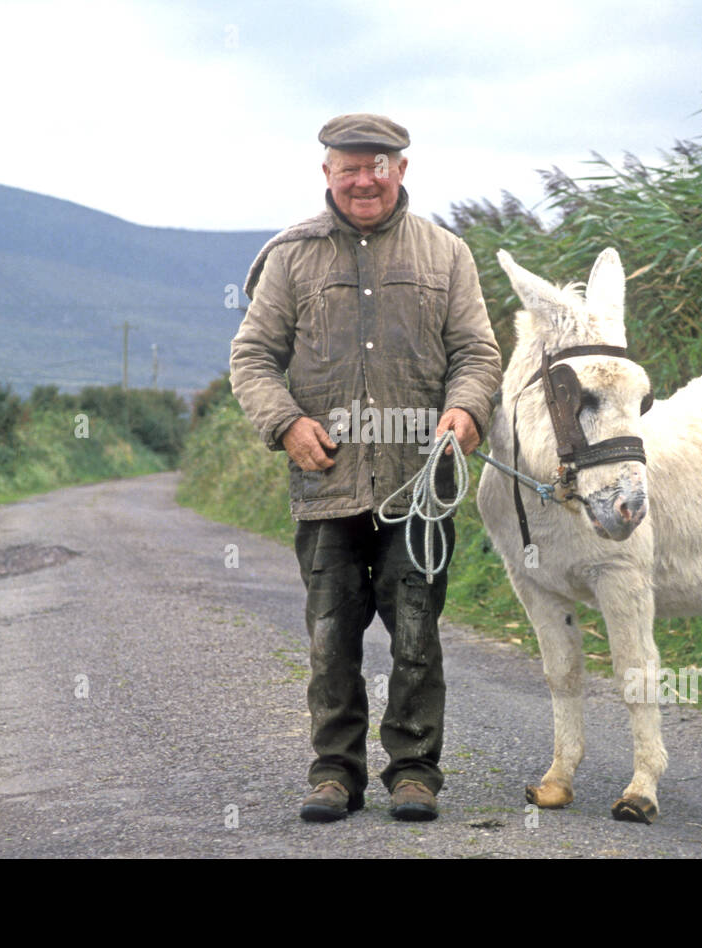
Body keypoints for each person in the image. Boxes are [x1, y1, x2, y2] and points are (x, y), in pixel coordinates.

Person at [229, 113, 502, 822]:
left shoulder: (447, 255)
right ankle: (334, 775)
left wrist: (467, 411)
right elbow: (253, 357)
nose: (363, 179)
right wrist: (285, 424)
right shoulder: (291, 258)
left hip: (421, 488)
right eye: (348, 166)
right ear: (327, 173)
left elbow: (478, 352)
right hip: (327, 484)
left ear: (401, 170)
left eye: (376, 165)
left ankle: (414, 772)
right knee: (331, 639)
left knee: (417, 636)